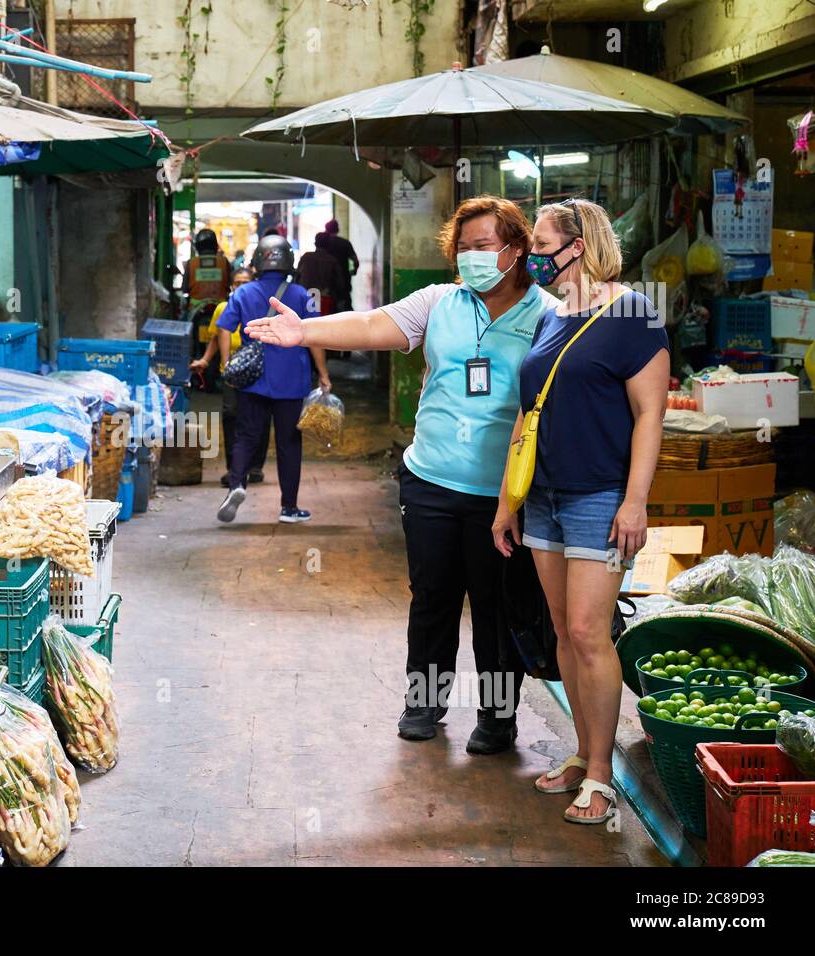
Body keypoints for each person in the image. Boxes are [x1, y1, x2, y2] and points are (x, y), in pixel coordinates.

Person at [245, 195, 558, 753]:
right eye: (462, 249)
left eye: (483, 247)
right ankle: (424, 703)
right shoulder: (441, 302)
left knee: (495, 606)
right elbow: (370, 324)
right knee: (432, 595)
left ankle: (497, 717)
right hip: (432, 478)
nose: (470, 259)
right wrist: (306, 332)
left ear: (515, 249)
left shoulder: (547, 315)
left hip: (504, 491)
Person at [492, 198, 668, 825]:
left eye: (541, 245)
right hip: (544, 495)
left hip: (600, 495)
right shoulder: (553, 316)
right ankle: (582, 753)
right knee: (565, 631)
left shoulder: (635, 316)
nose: (531, 257)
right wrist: (507, 502)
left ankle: (602, 774)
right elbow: (528, 407)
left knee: (593, 632)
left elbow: (651, 414)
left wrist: (635, 501)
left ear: (581, 244)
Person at [215, 234, 330, 525]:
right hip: (291, 380)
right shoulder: (302, 295)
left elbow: (224, 328)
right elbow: (316, 338)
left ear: (256, 262)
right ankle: (289, 508)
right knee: (289, 443)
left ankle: (237, 485)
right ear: (289, 261)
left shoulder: (242, 293)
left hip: (252, 378)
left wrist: (227, 363)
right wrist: (324, 375)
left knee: (246, 435)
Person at [189, 267, 271, 488]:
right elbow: (217, 336)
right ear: (231, 287)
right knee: (231, 414)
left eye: (246, 283)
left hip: (258, 368)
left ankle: (255, 466)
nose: (241, 287)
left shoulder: (261, 306)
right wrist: (206, 360)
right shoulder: (223, 308)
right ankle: (234, 467)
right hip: (232, 371)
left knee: (259, 415)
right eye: (237, 284)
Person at [183, 228, 231, 322]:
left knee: (183, 324)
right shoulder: (224, 262)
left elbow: (184, 288)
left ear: (197, 246)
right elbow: (229, 284)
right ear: (215, 246)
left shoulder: (191, 263)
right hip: (220, 307)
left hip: (195, 307)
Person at [295, 233, 350, 316]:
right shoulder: (332, 261)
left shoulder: (305, 257)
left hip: (305, 298)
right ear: (329, 245)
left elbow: (296, 278)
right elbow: (340, 285)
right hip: (325, 302)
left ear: (315, 243)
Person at [322, 218, 359, 311]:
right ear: (337, 229)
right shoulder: (345, 243)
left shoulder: (324, 243)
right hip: (344, 280)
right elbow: (355, 260)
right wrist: (352, 271)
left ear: (326, 229)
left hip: (327, 282)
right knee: (345, 308)